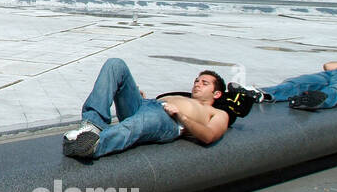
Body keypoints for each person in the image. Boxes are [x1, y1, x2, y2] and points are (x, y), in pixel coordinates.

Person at [62, 59, 229, 162]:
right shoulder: (186, 98)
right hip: (147, 105)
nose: (197, 84)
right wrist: (140, 98)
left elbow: (209, 135)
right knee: (116, 64)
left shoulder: (218, 114)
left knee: (136, 124)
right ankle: (92, 125)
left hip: (169, 120)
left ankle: (93, 146)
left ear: (217, 93)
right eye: (196, 81)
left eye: (204, 83)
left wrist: (182, 116)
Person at [241, 61, 337, 110]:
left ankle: (313, 100)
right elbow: (328, 66)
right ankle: (263, 94)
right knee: (297, 83)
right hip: (330, 74)